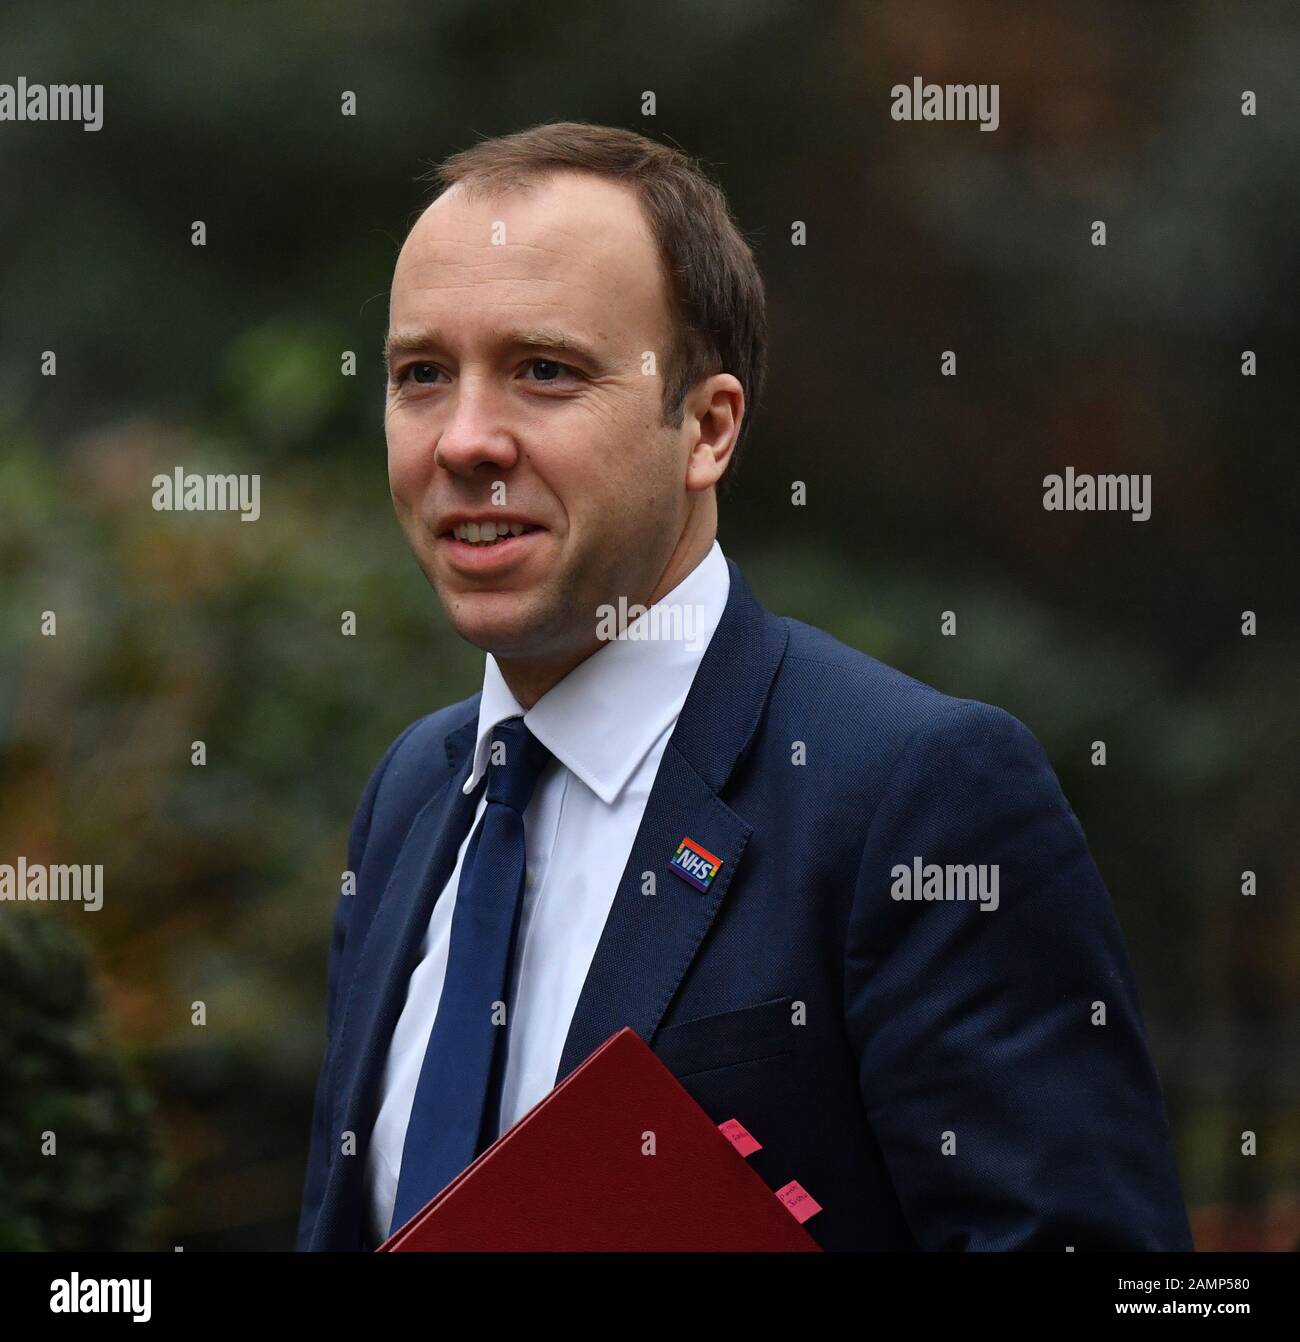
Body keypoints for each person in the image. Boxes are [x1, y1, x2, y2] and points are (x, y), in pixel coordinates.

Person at [296, 121, 1193, 1252]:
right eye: (422, 374)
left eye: (543, 371)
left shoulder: (913, 793)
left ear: (707, 428)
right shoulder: (411, 798)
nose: (466, 438)